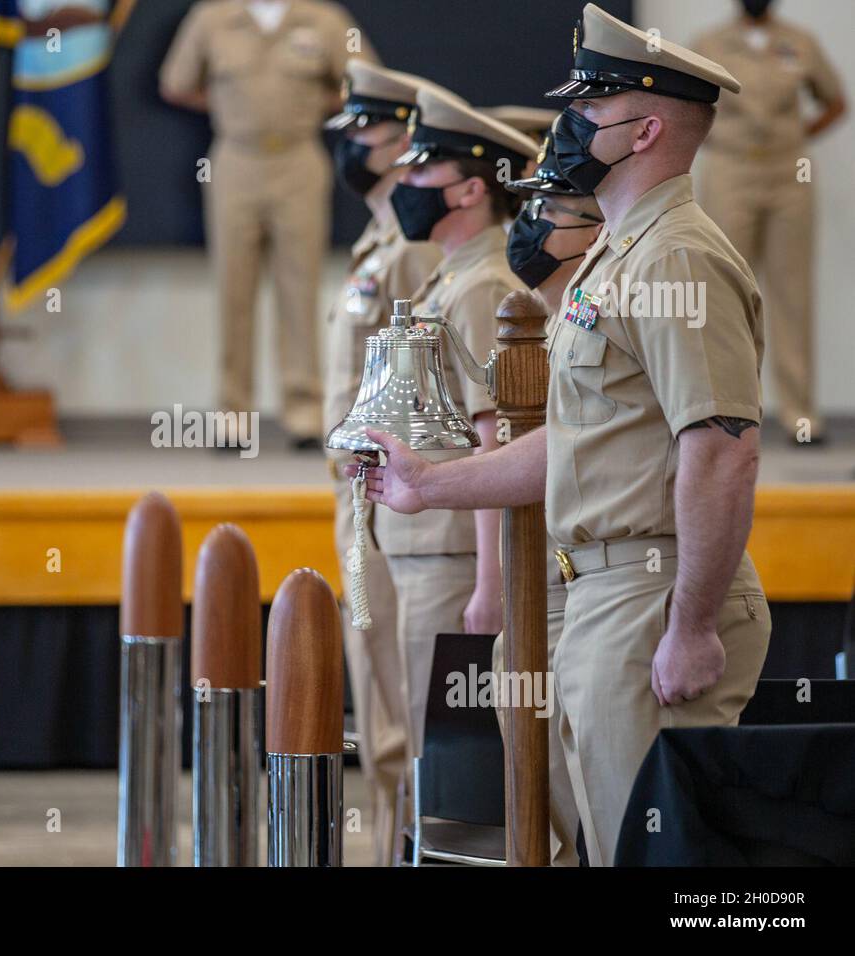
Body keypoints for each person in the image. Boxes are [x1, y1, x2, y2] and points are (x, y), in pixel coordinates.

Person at [353, 3, 772, 867]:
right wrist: (430, 484)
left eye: (589, 109)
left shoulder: (675, 259)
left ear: (646, 127)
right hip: (601, 591)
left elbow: (722, 445)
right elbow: (583, 439)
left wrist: (693, 622)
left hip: (653, 589)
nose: (568, 127)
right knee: (609, 849)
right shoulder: (621, 257)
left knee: (657, 863)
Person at [381, 81, 538, 808]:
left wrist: (490, 584)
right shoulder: (452, 279)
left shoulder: (482, 288)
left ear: (473, 187)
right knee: (423, 756)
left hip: (451, 559)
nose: (403, 184)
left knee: (451, 777)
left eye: (421, 172)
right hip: (424, 549)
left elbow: (494, 438)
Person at [159, 0, 375, 448]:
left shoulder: (324, 20)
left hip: (299, 158)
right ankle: (232, 413)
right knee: (232, 287)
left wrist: (317, 102)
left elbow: (367, 83)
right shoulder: (212, 19)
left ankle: (304, 410)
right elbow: (176, 83)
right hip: (235, 158)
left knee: (300, 287)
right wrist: (225, 102)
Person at [322, 58, 439, 866]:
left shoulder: (409, 247)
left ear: (403, 140)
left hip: (389, 486)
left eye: (365, 131)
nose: (351, 146)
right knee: (374, 676)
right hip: (359, 488)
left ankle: (410, 841)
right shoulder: (377, 240)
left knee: (396, 685)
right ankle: (395, 833)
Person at [494, 133, 606, 866]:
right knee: (566, 822)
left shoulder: (632, 290)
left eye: (551, 206)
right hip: (569, 571)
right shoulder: (564, 308)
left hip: (626, 574)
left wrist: (433, 486)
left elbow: (549, 449)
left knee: (617, 824)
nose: (532, 223)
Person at [692, 0, 846, 442]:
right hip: (731, 172)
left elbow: (836, 101)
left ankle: (801, 415)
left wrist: (797, 138)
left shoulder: (798, 42)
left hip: (788, 174)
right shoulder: (710, 44)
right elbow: (687, 104)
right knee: (727, 290)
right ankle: (730, 413)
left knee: (793, 292)